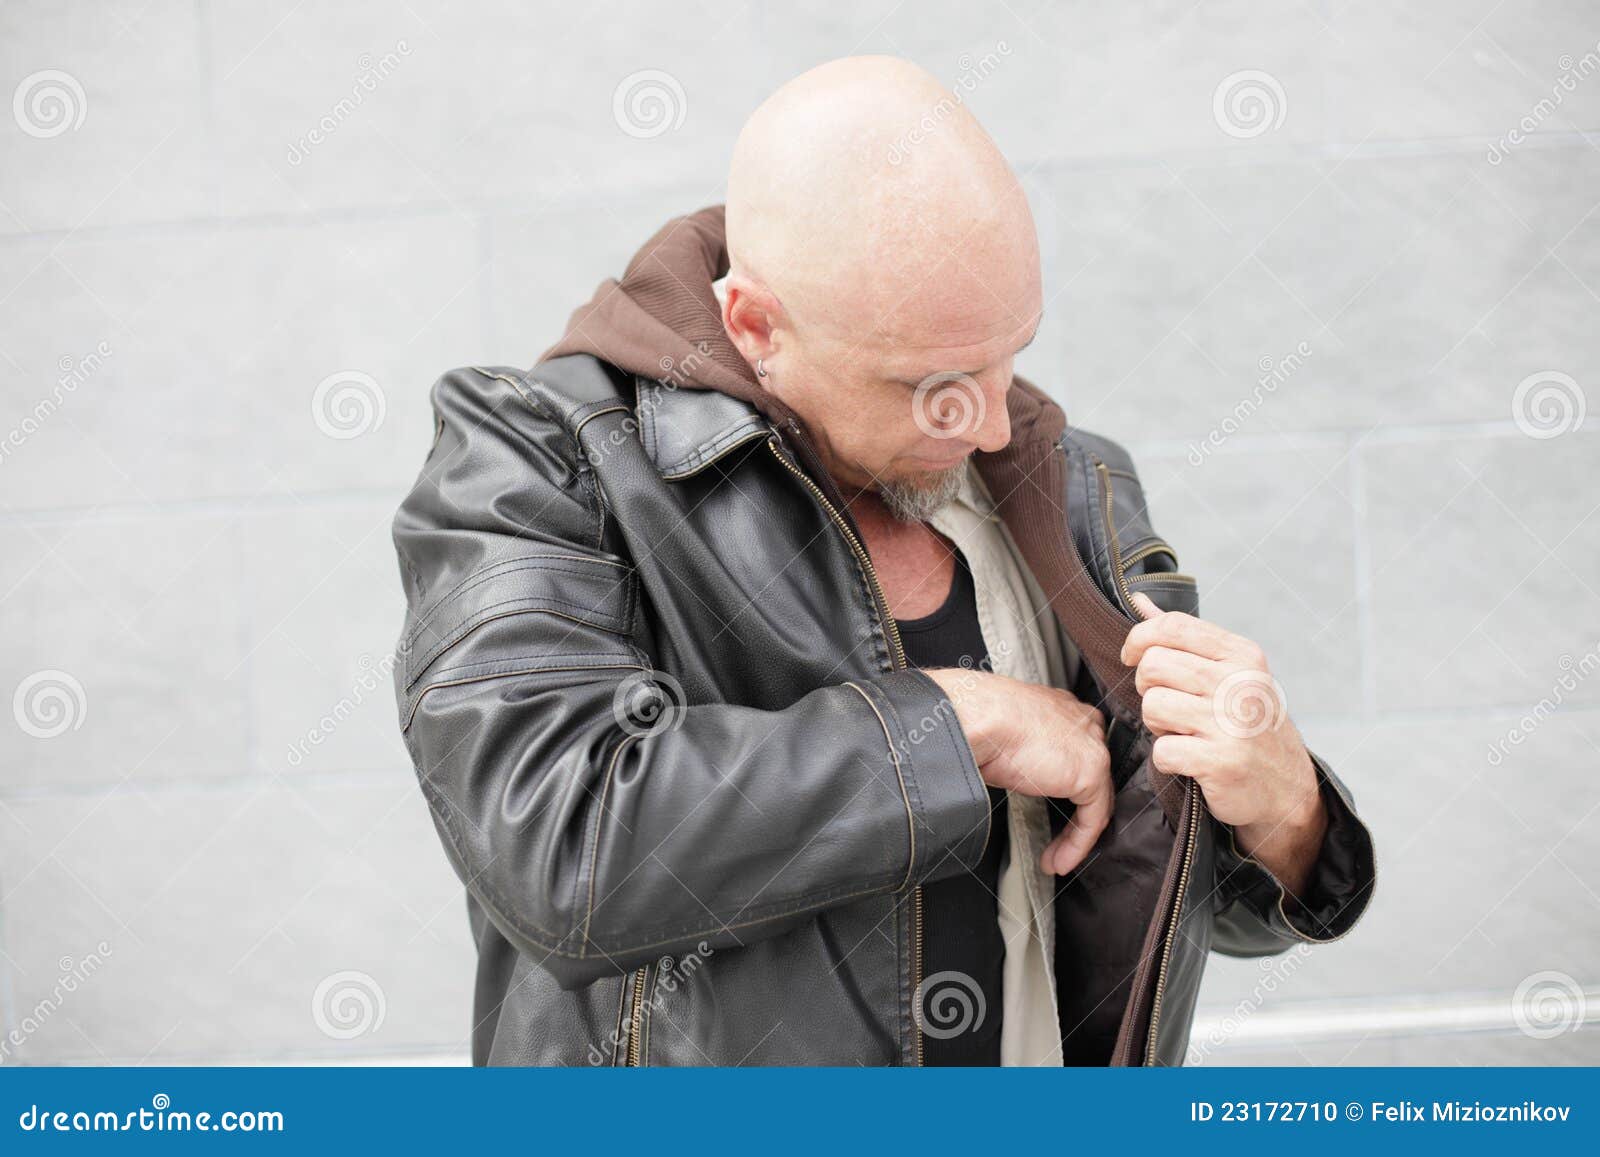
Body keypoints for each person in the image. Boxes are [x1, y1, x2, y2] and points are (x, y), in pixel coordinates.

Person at [390, 55, 1376, 1066]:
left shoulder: (1070, 484)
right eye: (930, 381)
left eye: (1010, 356)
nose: (993, 423)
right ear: (754, 326)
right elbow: (562, 849)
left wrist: (1284, 814)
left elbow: (1161, 907)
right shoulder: (539, 454)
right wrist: (961, 725)